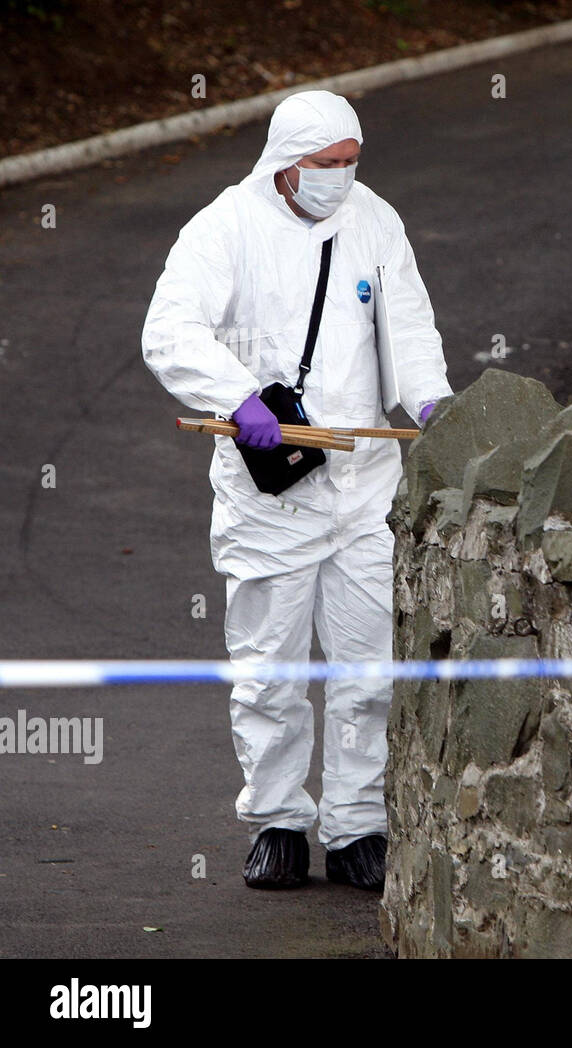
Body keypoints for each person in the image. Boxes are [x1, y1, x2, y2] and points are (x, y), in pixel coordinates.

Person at [141, 90, 452, 891]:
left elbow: (408, 325)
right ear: (286, 162)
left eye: (352, 163)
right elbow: (170, 329)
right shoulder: (224, 228)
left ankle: (358, 826)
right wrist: (238, 396)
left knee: (367, 667)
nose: (341, 179)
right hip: (269, 490)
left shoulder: (375, 220)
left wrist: (430, 402)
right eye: (326, 166)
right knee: (270, 668)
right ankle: (278, 820)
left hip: (361, 485)